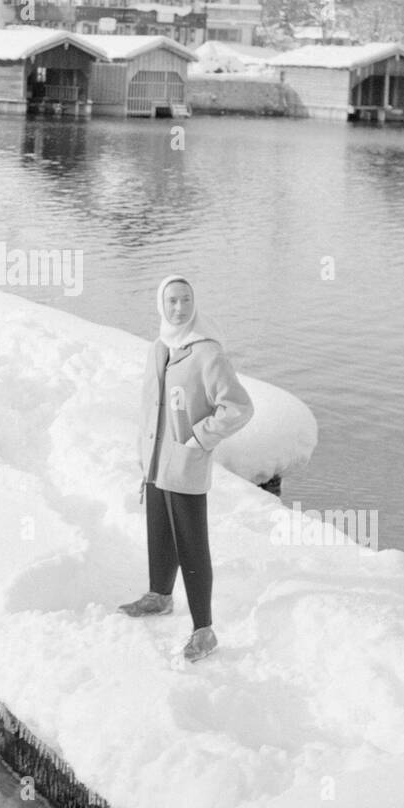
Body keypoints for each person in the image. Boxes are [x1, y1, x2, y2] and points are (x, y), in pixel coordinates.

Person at [121, 275, 254, 662]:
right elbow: (150, 406)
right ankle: (159, 596)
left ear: (195, 305)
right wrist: (144, 454)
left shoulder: (206, 353)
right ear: (160, 305)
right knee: (159, 532)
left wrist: (200, 438)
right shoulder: (159, 348)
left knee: (192, 546)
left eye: (185, 301)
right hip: (156, 463)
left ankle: (204, 631)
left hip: (185, 462)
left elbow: (239, 407)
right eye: (172, 301)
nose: (179, 308)